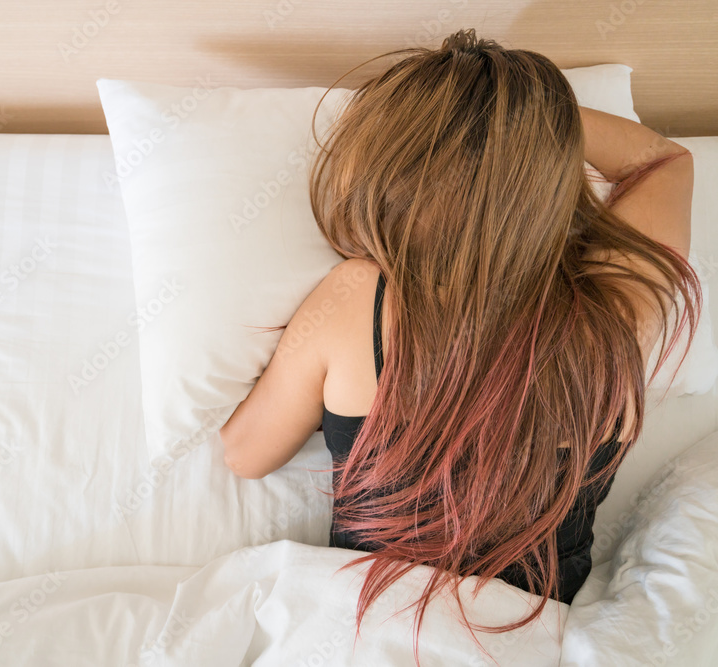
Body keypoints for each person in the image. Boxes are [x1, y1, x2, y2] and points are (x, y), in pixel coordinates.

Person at [219, 27, 700, 660]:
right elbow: (662, 161)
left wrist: (471, 115)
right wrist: (523, 122)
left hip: (366, 634)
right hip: (527, 642)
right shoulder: (616, 307)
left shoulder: (359, 298)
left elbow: (244, 455)